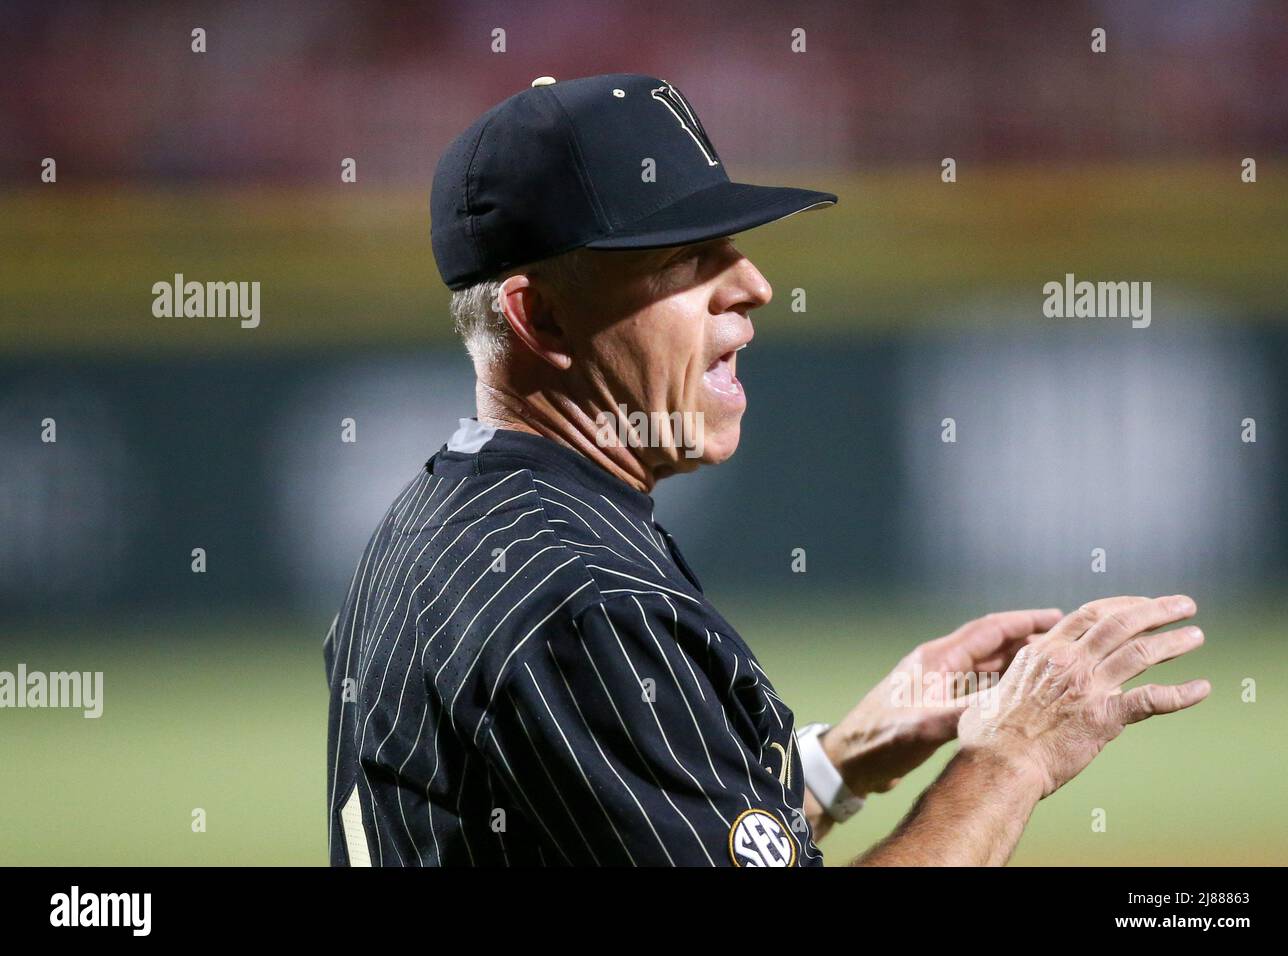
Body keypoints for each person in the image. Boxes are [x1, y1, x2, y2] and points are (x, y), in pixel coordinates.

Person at [323, 74, 1210, 866]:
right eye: (683, 257)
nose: (753, 284)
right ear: (540, 317)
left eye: (731, 244)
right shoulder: (583, 601)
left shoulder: (435, 517)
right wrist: (1011, 758)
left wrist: (842, 761)